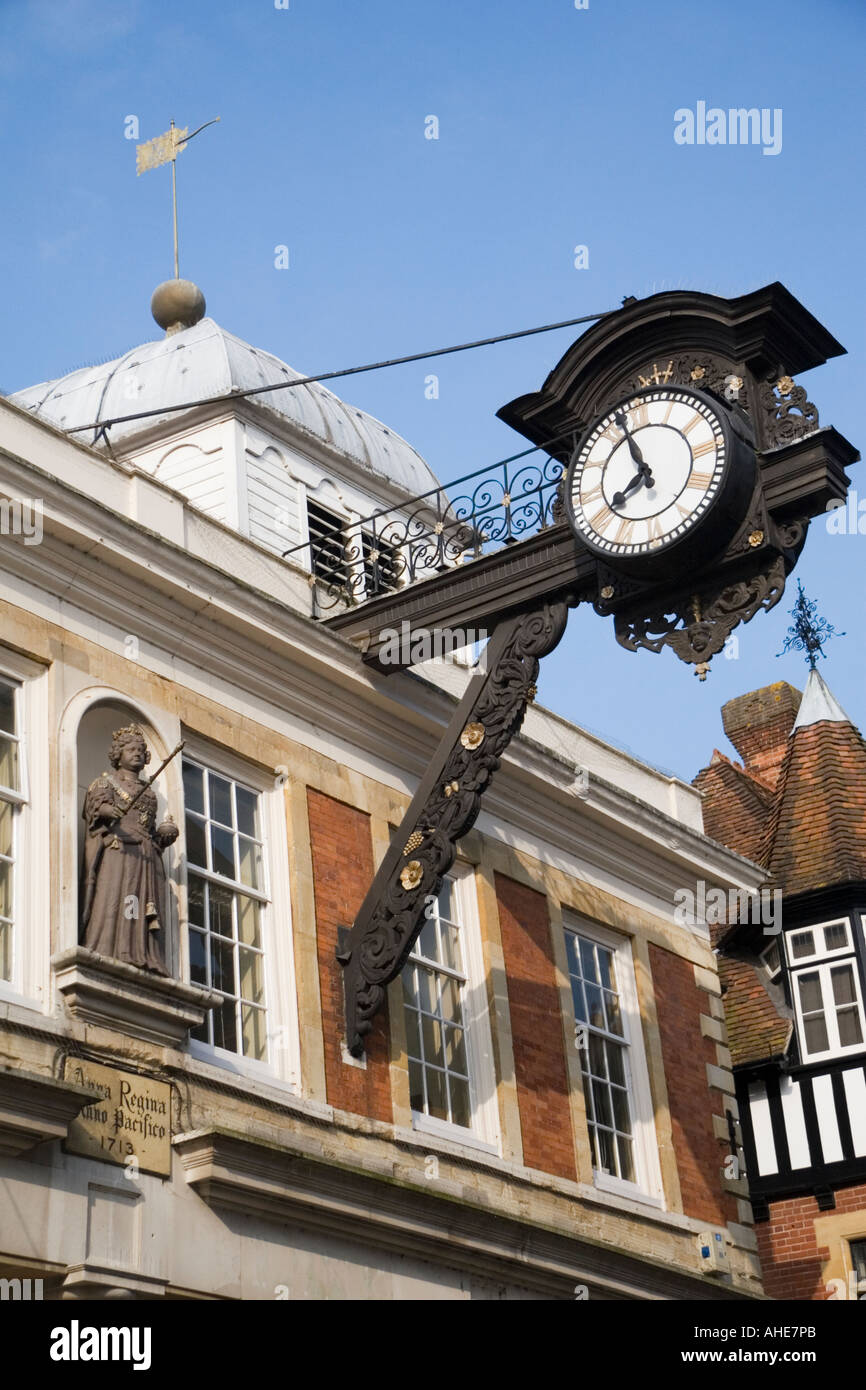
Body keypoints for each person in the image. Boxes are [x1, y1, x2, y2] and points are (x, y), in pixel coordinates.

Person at [80, 725, 178, 975]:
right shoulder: (105, 782)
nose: (136, 753)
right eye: (130, 749)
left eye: (140, 750)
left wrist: (163, 837)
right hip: (119, 852)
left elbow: (150, 829)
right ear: (118, 754)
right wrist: (107, 811)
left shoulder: (149, 795)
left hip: (145, 857)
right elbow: (95, 807)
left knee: (140, 905)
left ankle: (142, 953)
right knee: (117, 899)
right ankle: (111, 948)